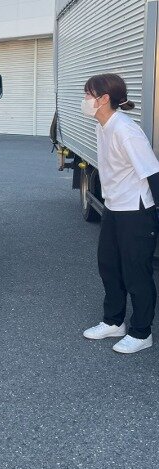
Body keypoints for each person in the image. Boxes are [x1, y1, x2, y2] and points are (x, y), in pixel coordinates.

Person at [82, 73, 159, 353]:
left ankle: (141, 332)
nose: (84, 100)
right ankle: (114, 322)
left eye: (88, 95)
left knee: (136, 273)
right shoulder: (102, 126)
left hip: (136, 212)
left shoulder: (126, 130)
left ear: (104, 99)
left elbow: (152, 173)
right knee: (109, 266)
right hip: (114, 208)